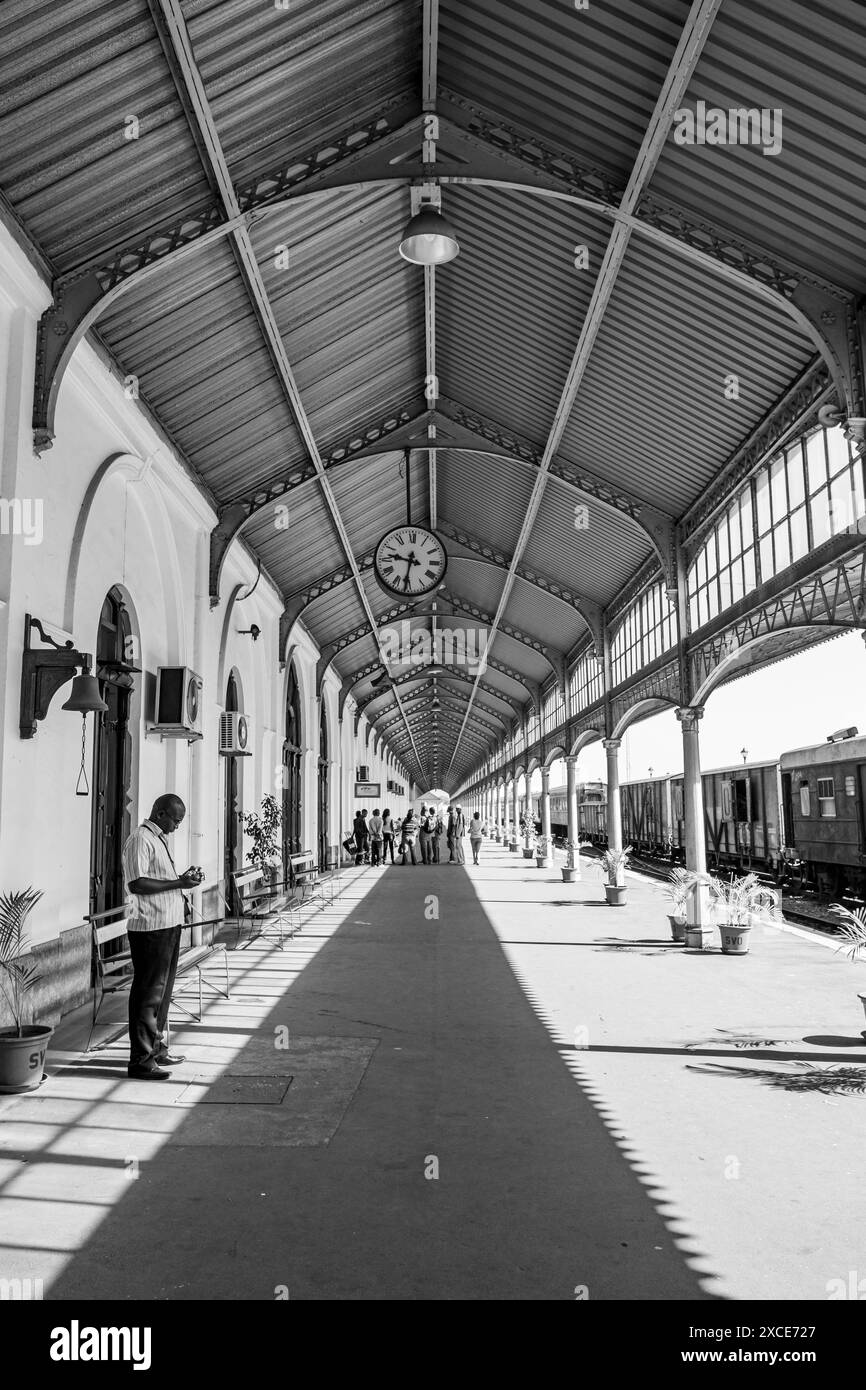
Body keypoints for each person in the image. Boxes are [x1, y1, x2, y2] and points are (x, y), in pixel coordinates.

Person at [121, 794, 202, 1080]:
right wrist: (179, 882)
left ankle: (156, 1048)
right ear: (160, 813)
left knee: (163, 993)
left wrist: (184, 879)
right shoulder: (140, 839)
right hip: (150, 927)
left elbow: (161, 881)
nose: (178, 826)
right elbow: (137, 883)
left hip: (168, 924)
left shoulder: (159, 838)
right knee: (148, 993)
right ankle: (140, 1061)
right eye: (176, 820)